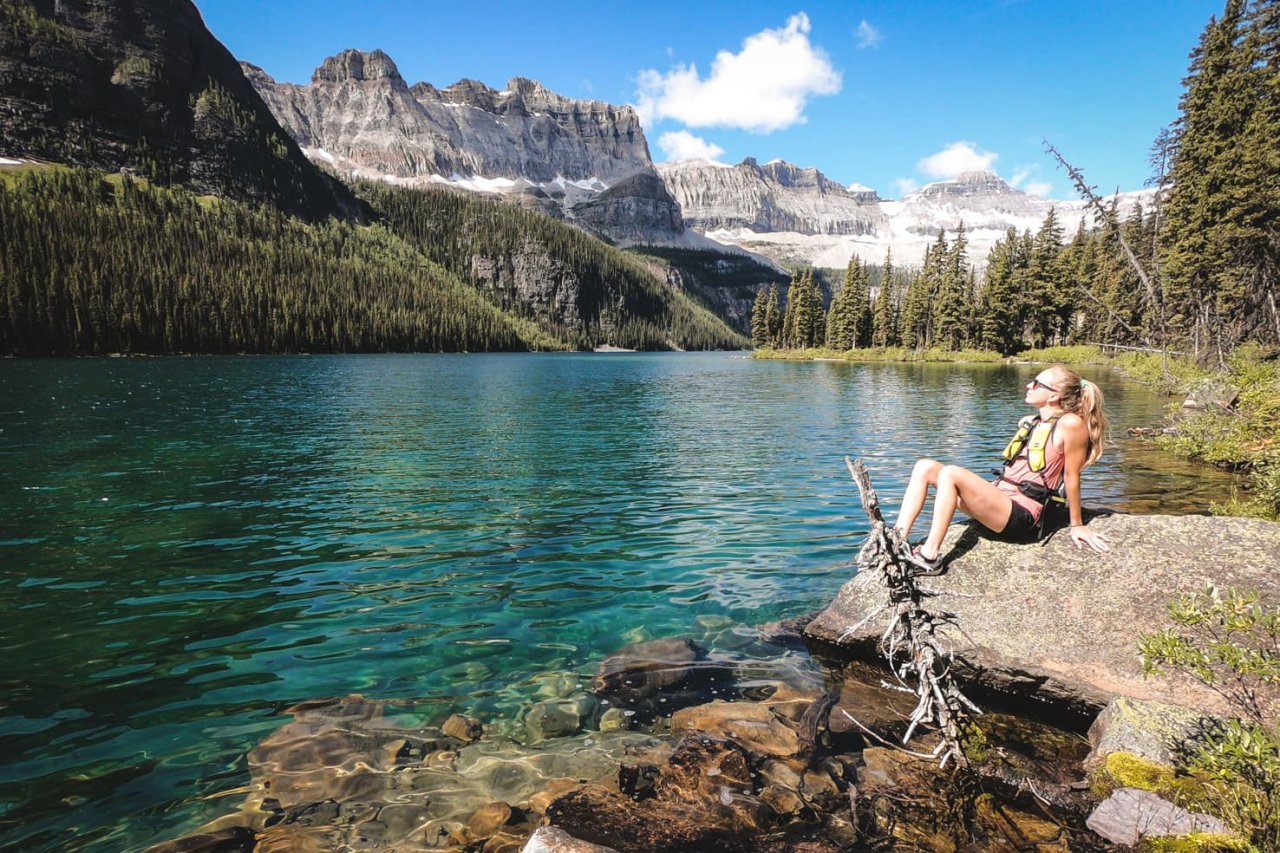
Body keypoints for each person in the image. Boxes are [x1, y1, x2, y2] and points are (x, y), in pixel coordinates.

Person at [893, 364, 1110, 566]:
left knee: (950, 473)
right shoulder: (1035, 422)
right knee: (924, 466)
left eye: (1036, 383)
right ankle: (896, 541)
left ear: (1054, 395)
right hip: (1001, 500)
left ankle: (929, 557)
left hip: (1022, 515)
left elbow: (1072, 476)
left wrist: (1077, 525)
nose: (1028, 385)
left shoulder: (1071, 424)